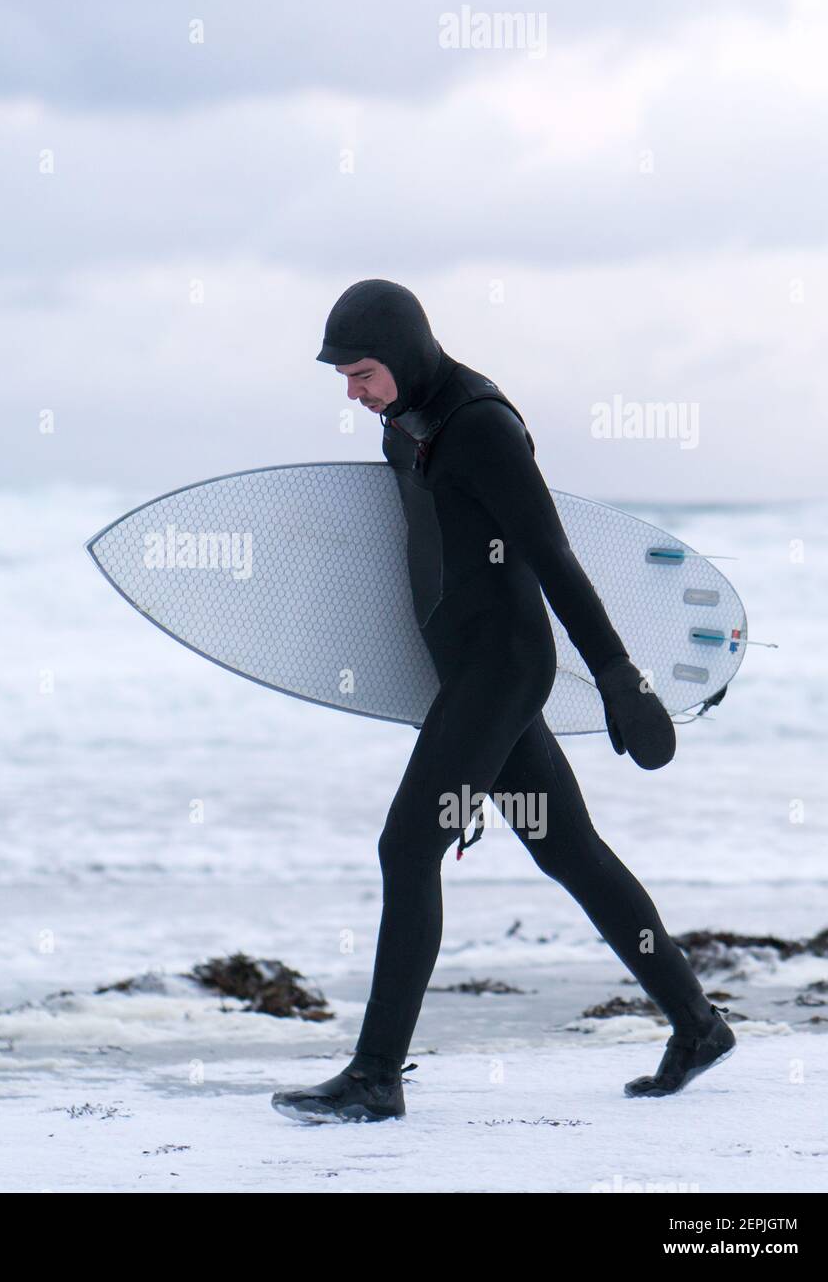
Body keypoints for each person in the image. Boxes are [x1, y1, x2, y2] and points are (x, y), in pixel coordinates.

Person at [271, 279, 735, 1124]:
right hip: (467, 676)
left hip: (505, 671)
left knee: (407, 849)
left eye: (362, 371)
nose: (352, 392)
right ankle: (698, 1026)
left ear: (405, 355)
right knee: (571, 853)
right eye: (341, 376)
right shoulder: (405, 421)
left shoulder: (480, 426)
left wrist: (622, 680)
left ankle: (377, 1076)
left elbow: (554, 557)